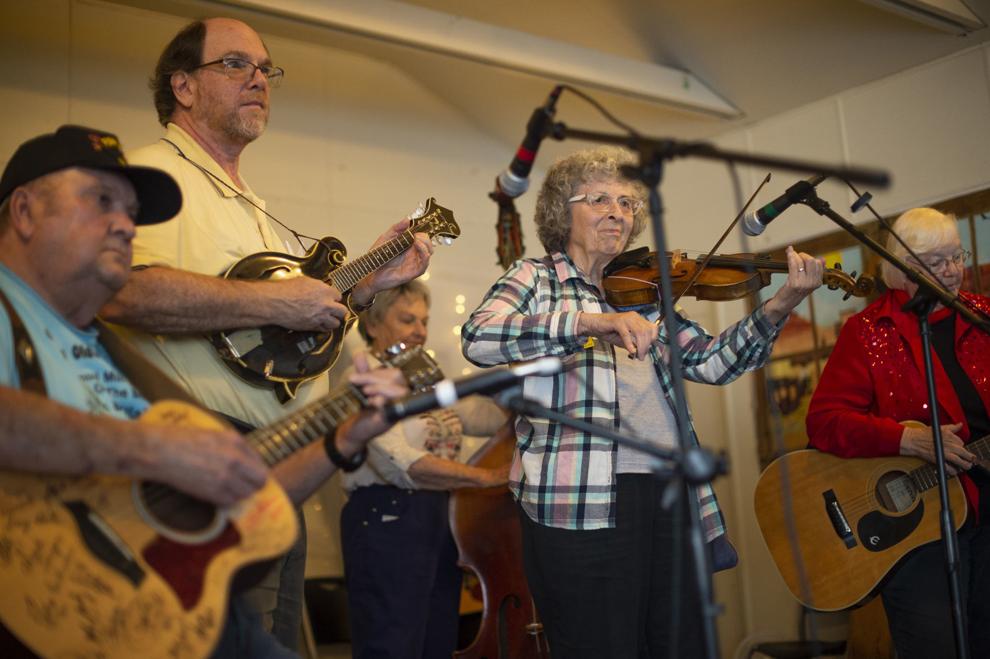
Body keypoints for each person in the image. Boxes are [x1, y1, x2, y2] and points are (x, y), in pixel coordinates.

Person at [0, 125, 407, 658]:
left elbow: (236, 503)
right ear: (25, 212)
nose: (125, 225)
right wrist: (159, 449)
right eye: (101, 200)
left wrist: (345, 435)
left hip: (168, 606)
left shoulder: (121, 356)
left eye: (131, 211)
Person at [98, 17, 433, 650]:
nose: (259, 79)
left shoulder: (258, 211)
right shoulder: (148, 176)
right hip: (195, 463)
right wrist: (273, 298)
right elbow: (120, 292)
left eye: (266, 69)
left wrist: (363, 285)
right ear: (184, 87)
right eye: (235, 64)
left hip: (286, 460)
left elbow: (288, 334)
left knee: (271, 639)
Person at [460, 146, 823, 657]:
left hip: (670, 493)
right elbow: (478, 336)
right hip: (580, 501)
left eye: (629, 203)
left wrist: (781, 305)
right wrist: (590, 322)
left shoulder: (646, 293)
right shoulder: (536, 278)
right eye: (601, 198)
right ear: (564, 210)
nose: (619, 212)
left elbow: (714, 362)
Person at [806, 207, 990, 659]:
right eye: (935, 262)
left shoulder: (984, 318)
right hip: (918, 531)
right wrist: (906, 440)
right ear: (900, 270)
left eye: (956, 256)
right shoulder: (868, 332)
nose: (951, 270)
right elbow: (824, 423)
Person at [339, 280, 509, 658]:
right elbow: (399, 462)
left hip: (439, 520)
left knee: (436, 642)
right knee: (393, 645)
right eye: (407, 320)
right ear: (373, 325)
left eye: (423, 321)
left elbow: (484, 418)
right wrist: (487, 478)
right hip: (387, 516)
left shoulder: (425, 377)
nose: (419, 331)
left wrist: (513, 387)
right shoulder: (362, 377)